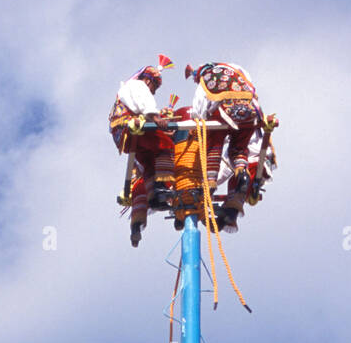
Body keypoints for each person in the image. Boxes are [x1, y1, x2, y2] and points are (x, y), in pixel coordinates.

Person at [184, 62, 263, 232]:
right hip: (251, 112)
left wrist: (197, 125)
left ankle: (210, 181)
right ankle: (241, 169)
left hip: (227, 111)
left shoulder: (205, 80)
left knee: (214, 138)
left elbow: (199, 110)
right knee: (239, 147)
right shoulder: (237, 70)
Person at [110, 56, 175, 246]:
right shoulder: (137, 86)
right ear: (148, 80)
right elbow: (145, 102)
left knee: (148, 161)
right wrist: (156, 118)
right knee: (165, 145)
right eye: (155, 86)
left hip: (125, 137)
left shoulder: (125, 91)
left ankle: (154, 196)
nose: (154, 91)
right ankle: (162, 188)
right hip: (132, 128)